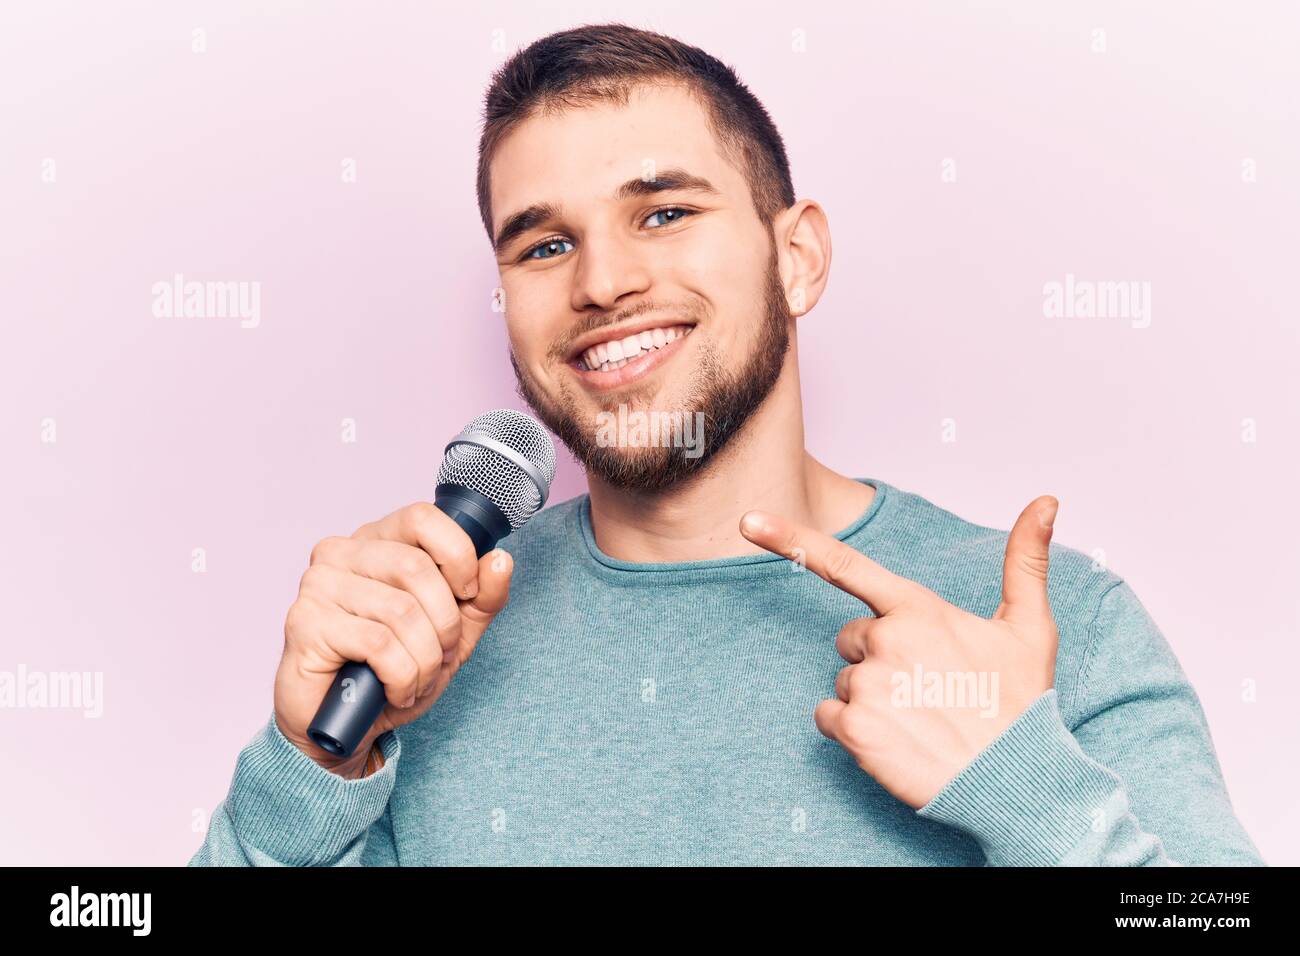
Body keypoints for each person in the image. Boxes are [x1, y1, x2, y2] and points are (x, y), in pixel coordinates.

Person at [190, 23, 1264, 866]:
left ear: (795, 257)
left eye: (660, 213)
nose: (601, 282)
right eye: (545, 242)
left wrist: (1015, 777)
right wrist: (304, 767)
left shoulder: (1053, 622)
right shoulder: (417, 646)